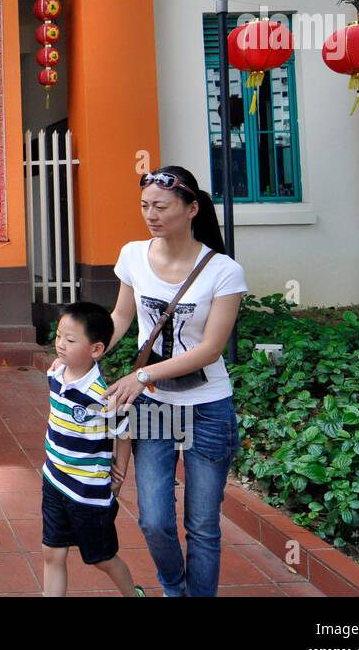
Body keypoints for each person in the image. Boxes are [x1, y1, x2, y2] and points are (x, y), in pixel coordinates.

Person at [102, 166, 248, 597]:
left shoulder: (223, 270)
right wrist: (81, 354)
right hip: (154, 407)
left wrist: (141, 374)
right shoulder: (132, 255)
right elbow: (121, 318)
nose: (151, 215)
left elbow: (209, 350)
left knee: (202, 525)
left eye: (161, 207)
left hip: (207, 405)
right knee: (153, 520)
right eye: (146, 206)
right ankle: (173, 587)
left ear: (192, 209)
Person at [42, 302, 144, 597]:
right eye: (59, 335)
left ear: (96, 350)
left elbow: (124, 434)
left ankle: (133, 593)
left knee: (102, 559)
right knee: (52, 554)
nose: (60, 345)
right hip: (54, 480)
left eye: (70, 340)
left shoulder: (102, 397)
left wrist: (120, 471)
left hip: (88, 495)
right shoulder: (56, 374)